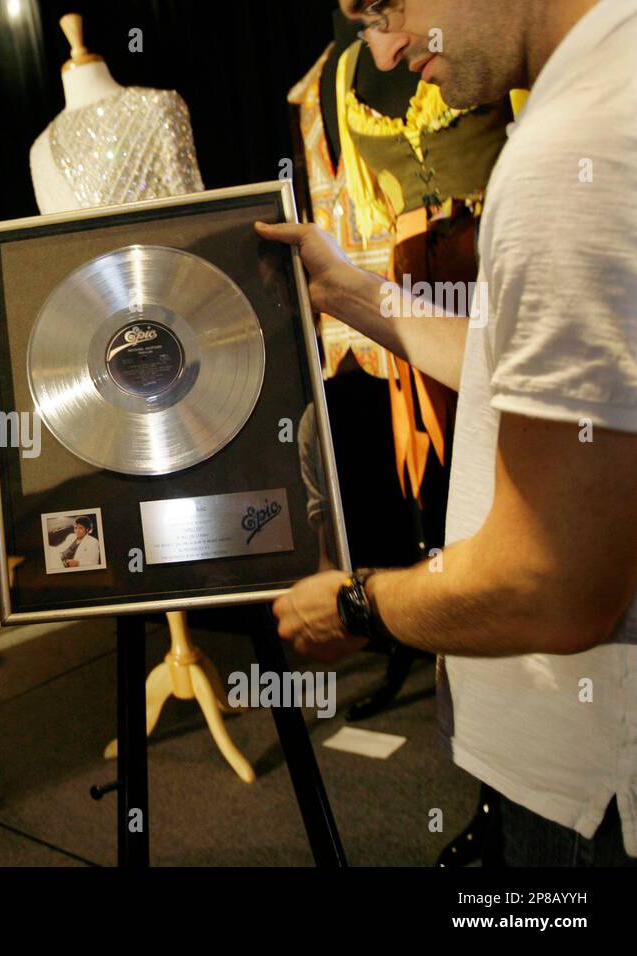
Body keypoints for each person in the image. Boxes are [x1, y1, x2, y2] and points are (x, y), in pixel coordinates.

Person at [261, 0, 637, 865]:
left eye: (385, 7)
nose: (386, 52)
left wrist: (361, 603)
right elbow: (533, 379)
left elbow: (552, 582)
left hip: (587, 784)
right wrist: (356, 296)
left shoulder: (563, 151)